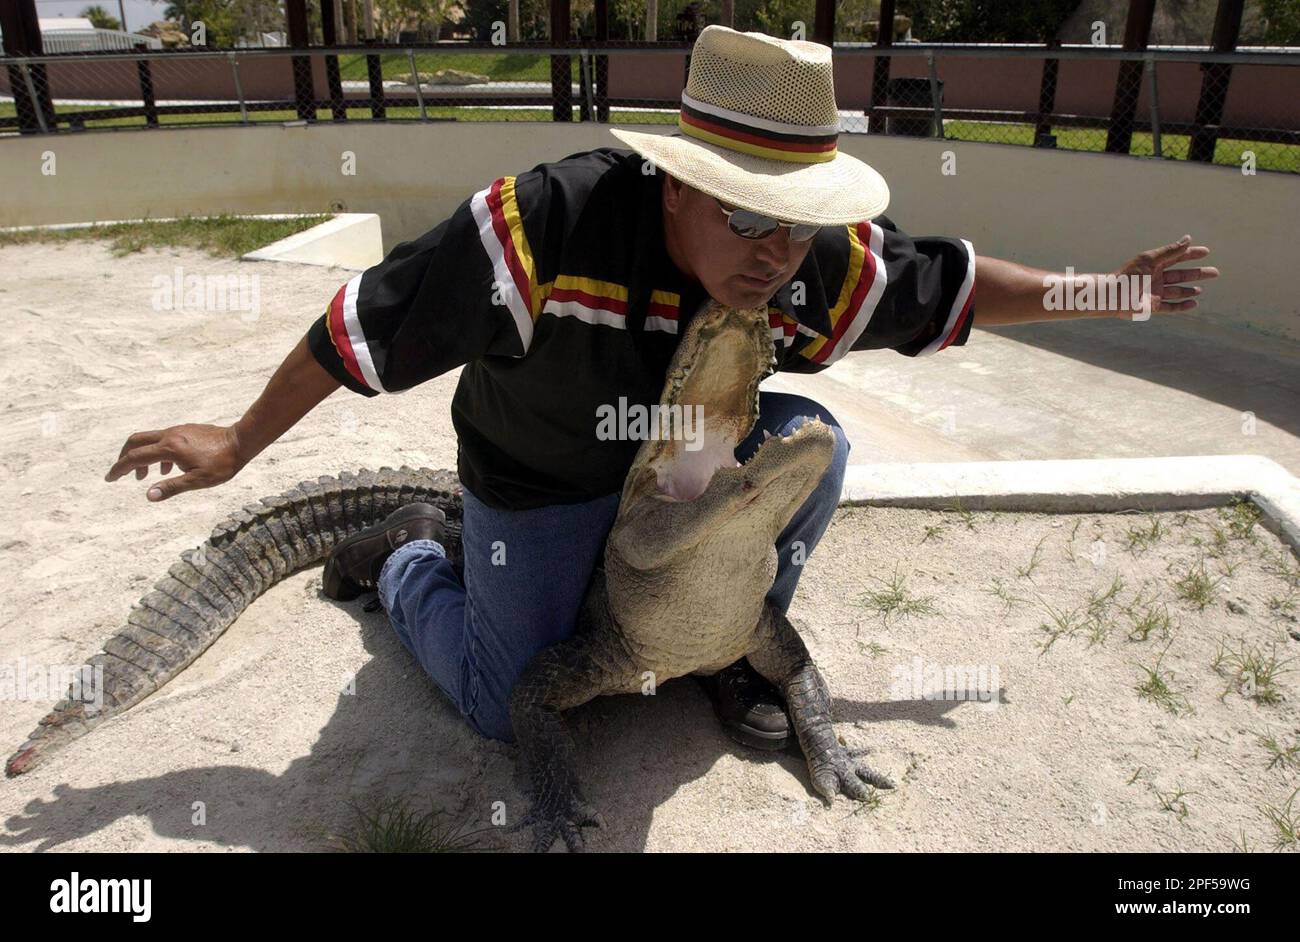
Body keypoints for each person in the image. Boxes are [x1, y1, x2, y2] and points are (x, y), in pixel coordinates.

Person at [105, 26, 1217, 750]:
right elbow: (363, 329)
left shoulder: (803, 250)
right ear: (677, 183)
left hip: (676, 471)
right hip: (540, 480)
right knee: (510, 706)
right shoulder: (541, 225)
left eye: (797, 218)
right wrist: (239, 444)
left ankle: (729, 644)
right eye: (744, 210)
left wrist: (1105, 293)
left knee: (813, 436)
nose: (775, 251)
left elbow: (950, 285)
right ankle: (407, 555)